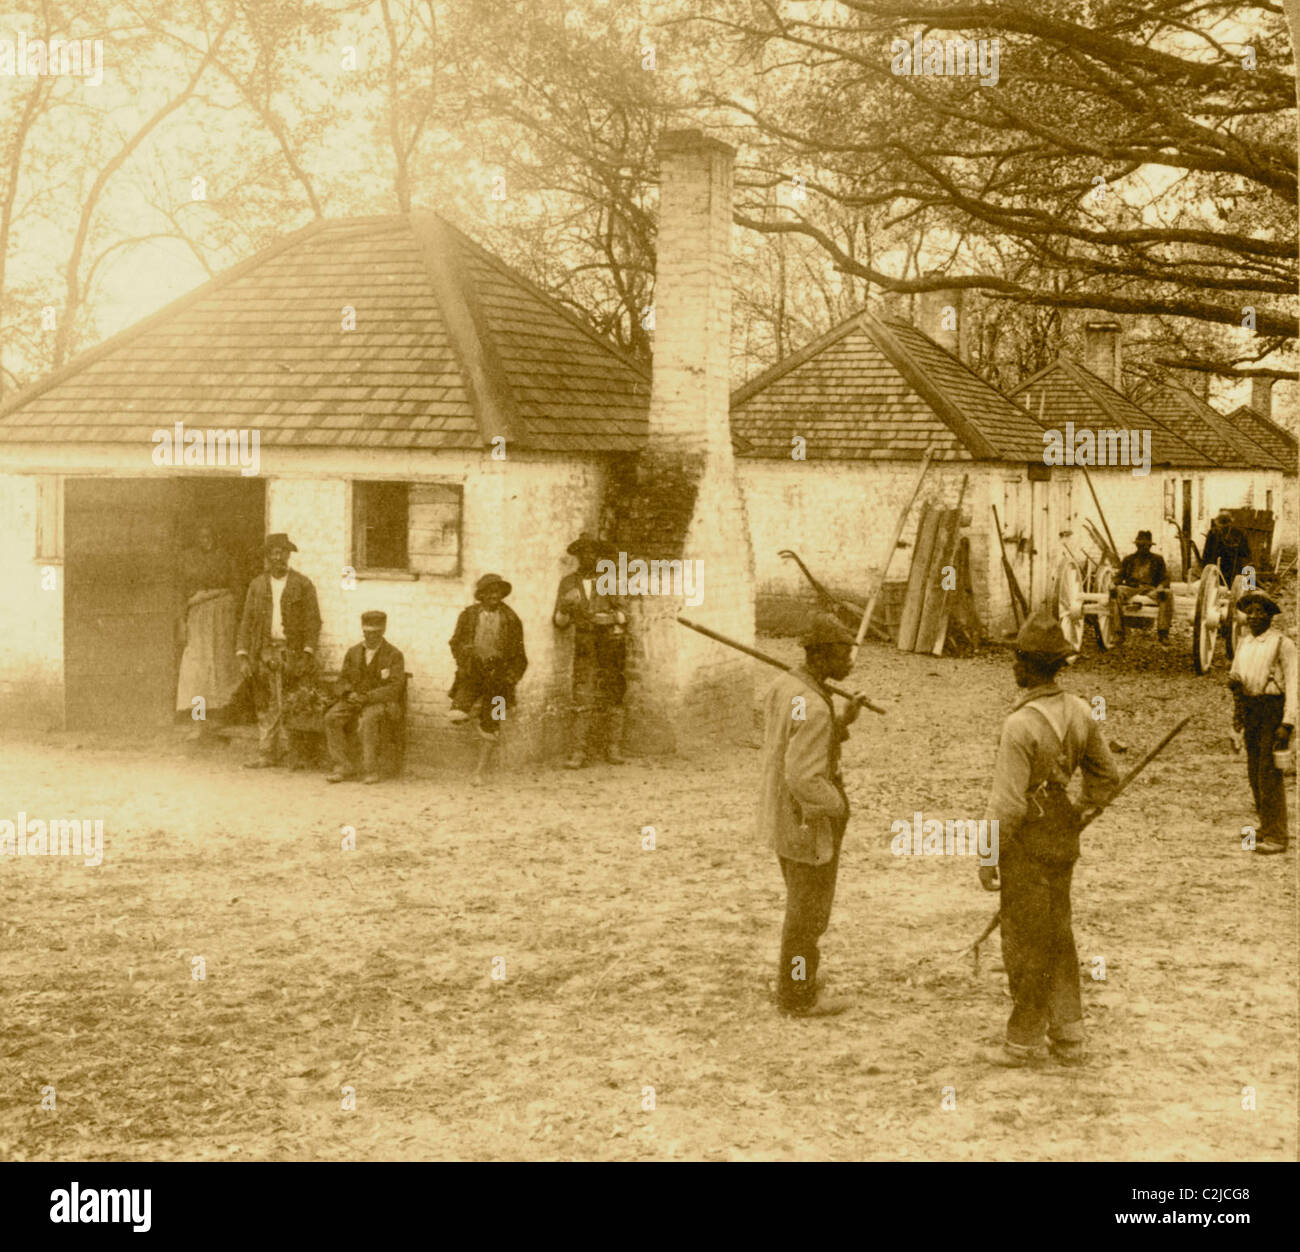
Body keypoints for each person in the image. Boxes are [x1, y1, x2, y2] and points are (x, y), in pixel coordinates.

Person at [979, 609, 1120, 1067]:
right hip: (1062, 831)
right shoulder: (1080, 711)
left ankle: (1023, 1041)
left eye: (1017, 660)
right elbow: (1106, 777)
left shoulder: (1018, 726)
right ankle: (1069, 1034)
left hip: (1025, 840)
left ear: (1027, 665)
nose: (1013, 668)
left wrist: (986, 856)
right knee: (1058, 929)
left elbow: (1006, 806)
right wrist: (1079, 809)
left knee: (1025, 939)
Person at [757, 614, 866, 1018]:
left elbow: (794, 743)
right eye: (844, 653)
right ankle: (798, 996)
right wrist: (836, 806)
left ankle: (797, 981)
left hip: (781, 814)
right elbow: (803, 775)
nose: (850, 662)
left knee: (800, 904)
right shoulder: (814, 705)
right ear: (822, 656)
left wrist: (841, 722)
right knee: (809, 914)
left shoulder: (786, 688)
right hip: (808, 820)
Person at [235, 534, 321, 769]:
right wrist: (243, 655)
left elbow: (313, 622)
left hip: (291, 652)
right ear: (267, 557)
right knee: (265, 703)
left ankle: (291, 753)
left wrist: (307, 652)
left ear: (288, 555)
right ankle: (266, 754)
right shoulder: (257, 585)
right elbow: (246, 621)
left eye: (282, 552)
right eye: (273, 552)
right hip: (263, 651)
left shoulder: (302, 584)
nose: (277, 557)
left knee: (292, 702)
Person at [1228, 591, 1295, 855]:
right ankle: (1265, 826)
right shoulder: (1245, 642)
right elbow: (1237, 674)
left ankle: (1278, 836)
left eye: (1261, 612)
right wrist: (1237, 710)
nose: (1255, 616)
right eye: (1251, 612)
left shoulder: (1282, 644)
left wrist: (1287, 723)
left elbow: (1292, 685)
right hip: (1251, 708)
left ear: (1270, 616)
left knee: (1270, 772)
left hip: (1272, 711)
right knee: (1255, 771)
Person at [552, 533, 628, 769]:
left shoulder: (610, 580)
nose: (589, 556)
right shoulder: (568, 583)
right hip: (585, 643)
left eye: (593, 552)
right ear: (577, 556)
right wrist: (565, 607)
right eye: (583, 552)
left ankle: (613, 747)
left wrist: (611, 617)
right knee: (582, 692)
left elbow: (625, 615)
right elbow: (560, 622)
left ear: (599, 556)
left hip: (610, 643)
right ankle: (578, 751)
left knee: (613, 690)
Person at [448, 574, 528, 786]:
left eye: (498, 592)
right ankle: (476, 711)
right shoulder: (468, 615)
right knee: (456, 714)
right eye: (490, 592)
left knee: (493, 722)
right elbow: (454, 642)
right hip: (472, 675)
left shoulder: (511, 619)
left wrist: (510, 678)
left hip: (500, 681)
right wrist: (464, 656)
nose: (495, 596)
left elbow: (521, 656)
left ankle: (479, 772)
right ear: (481, 595)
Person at [324, 611, 406, 785]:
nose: (370, 637)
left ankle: (371, 770)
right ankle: (342, 766)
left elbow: (394, 688)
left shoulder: (393, 655)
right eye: (367, 633)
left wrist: (368, 697)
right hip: (353, 699)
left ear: (383, 631)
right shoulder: (353, 652)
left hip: (379, 702)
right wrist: (348, 693)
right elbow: (342, 680)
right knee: (331, 718)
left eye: (375, 633)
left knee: (368, 720)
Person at [175, 521, 240, 740]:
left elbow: (236, 588)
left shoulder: (226, 558)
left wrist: (222, 602)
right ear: (196, 538)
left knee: (221, 668)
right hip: (197, 618)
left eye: (210, 536)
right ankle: (198, 722)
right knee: (195, 671)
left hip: (222, 619)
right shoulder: (186, 558)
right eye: (202, 536)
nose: (206, 541)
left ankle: (219, 720)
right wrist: (182, 620)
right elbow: (179, 592)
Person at [1116, 529, 1172, 643]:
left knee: (1168, 594)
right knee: (1116, 591)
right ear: (1136, 545)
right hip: (1132, 588)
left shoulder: (1158, 559)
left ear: (1150, 546)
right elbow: (1119, 576)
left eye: (1146, 545)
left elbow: (1165, 578)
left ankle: (1163, 633)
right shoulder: (1128, 559)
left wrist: (1161, 586)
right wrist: (1113, 584)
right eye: (1141, 545)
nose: (1144, 548)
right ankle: (1118, 632)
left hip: (1150, 589)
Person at [1202, 510, 1251, 585]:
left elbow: (1245, 552)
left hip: (1225, 565)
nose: (1223, 527)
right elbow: (1207, 552)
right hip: (1224, 565)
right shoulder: (1213, 532)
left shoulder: (1238, 533)